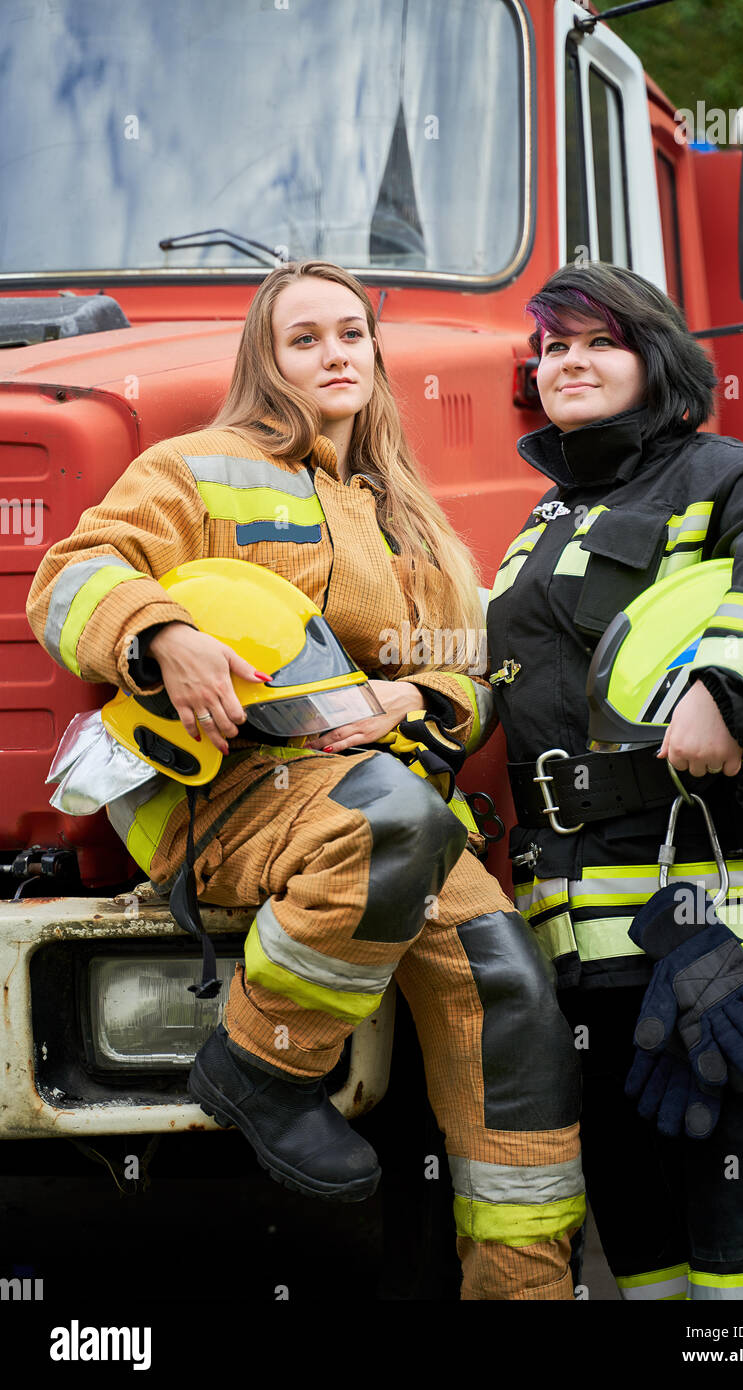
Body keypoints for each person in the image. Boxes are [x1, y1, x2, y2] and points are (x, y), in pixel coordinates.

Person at [26, 260, 583, 1301]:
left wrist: (408, 704)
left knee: (508, 992)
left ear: (376, 356)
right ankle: (265, 1065)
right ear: (267, 363)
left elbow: (468, 680)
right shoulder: (196, 468)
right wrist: (162, 633)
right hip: (218, 796)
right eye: (305, 339)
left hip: (377, 806)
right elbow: (71, 579)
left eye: (350, 335)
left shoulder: (408, 520)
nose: (334, 354)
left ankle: (526, 1288)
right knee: (388, 823)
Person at [486, 261, 743, 1302]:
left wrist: (729, 693)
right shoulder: (545, 521)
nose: (567, 360)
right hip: (584, 929)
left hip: (730, 906)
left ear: (656, 362)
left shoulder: (742, 477)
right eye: (552, 345)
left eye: (596, 342)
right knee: (636, 1209)